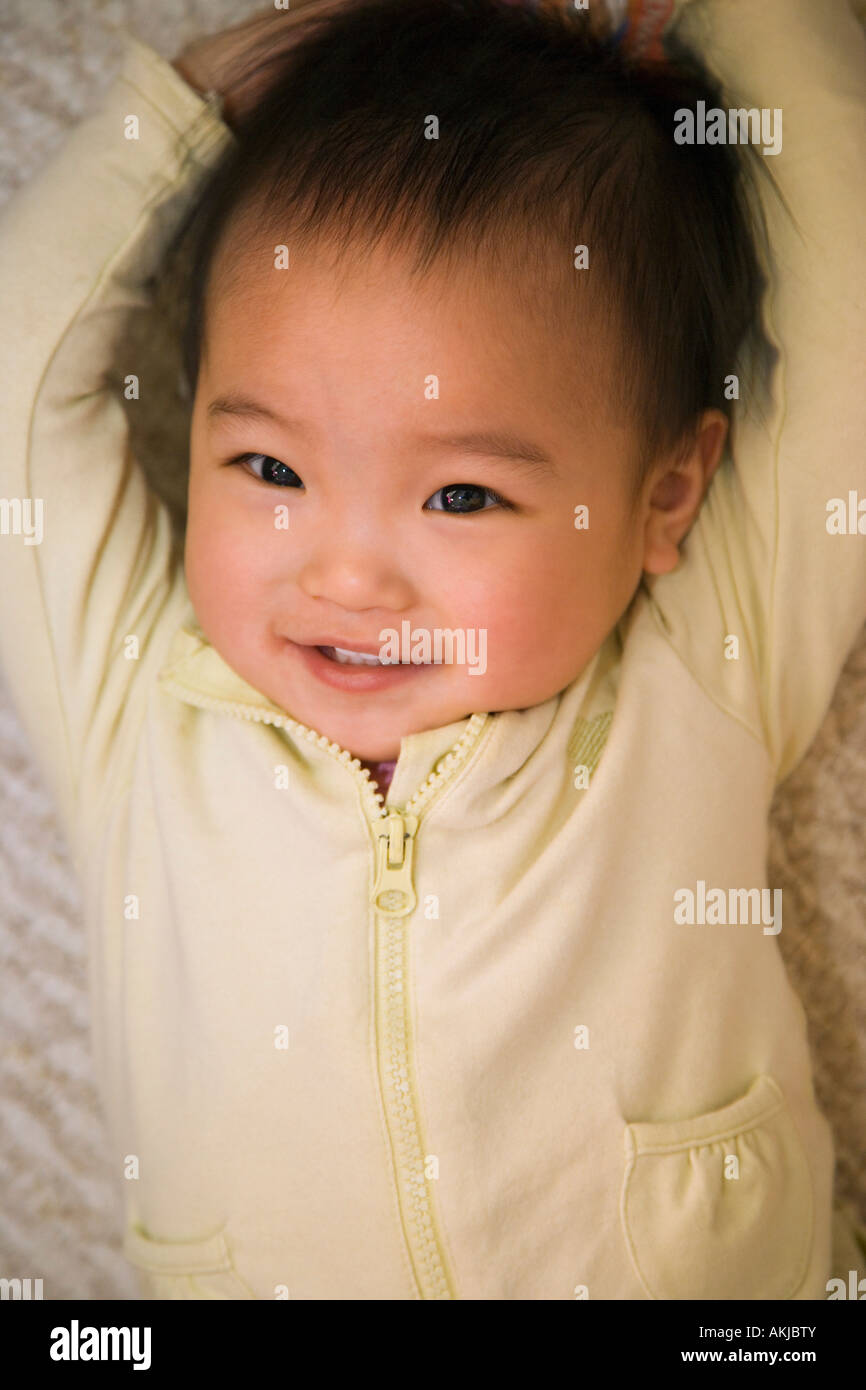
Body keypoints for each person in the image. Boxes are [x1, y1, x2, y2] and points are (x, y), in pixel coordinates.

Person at [0, 0, 864, 1299]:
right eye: (268, 465)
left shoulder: (698, 674)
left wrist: (713, 14)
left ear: (663, 498)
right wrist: (218, 89)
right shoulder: (137, 708)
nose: (343, 574)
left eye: (461, 496)